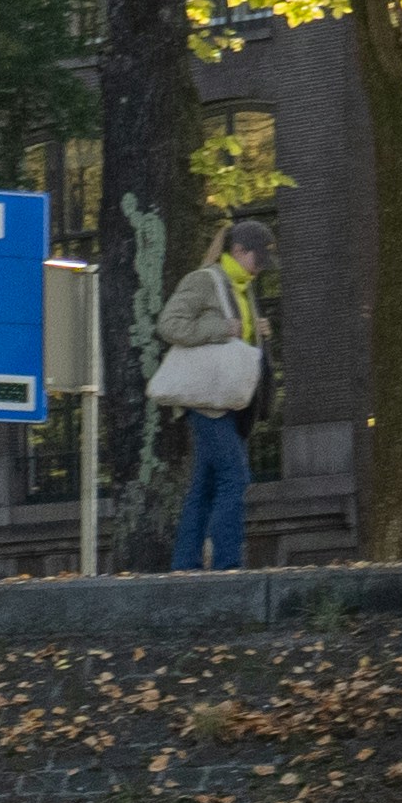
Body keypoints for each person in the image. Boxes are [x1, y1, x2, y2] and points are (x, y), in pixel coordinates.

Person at [149, 235, 262, 571]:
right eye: (258, 260)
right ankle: (228, 564)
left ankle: (186, 563)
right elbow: (169, 325)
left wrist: (256, 329)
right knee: (235, 477)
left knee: (206, 484)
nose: (260, 270)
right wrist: (218, 328)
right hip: (207, 401)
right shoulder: (204, 280)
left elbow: (238, 337)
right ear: (240, 251)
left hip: (230, 399)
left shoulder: (243, 287)